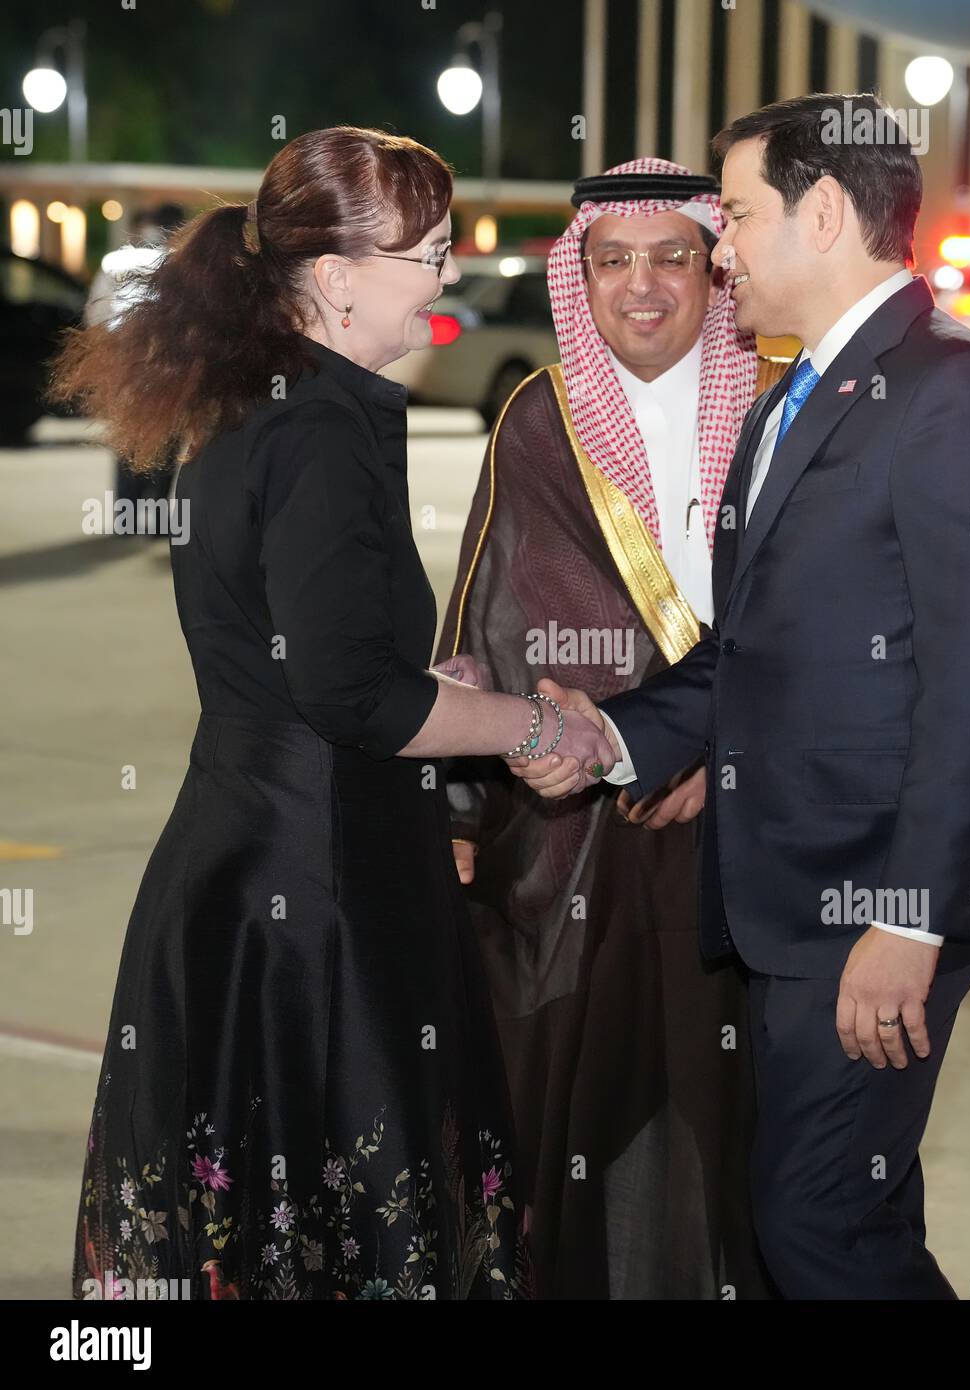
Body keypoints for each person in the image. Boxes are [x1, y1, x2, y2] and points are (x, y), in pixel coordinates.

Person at [51, 124, 617, 1301]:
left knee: (254, 1231)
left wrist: (434, 690)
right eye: (430, 251)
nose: (449, 273)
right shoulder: (321, 429)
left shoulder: (264, 408)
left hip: (260, 850)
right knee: (342, 1228)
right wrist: (531, 727)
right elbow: (352, 696)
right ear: (335, 276)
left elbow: (314, 660)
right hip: (319, 891)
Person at [512, 94, 970, 1299]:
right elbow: (747, 653)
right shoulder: (795, 395)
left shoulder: (951, 395)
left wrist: (906, 921)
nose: (719, 252)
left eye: (738, 216)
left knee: (819, 1231)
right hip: (795, 900)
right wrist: (611, 734)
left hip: (871, 901)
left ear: (821, 213)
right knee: (829, 1218)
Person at [436, 159, 781, 1299]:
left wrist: (712, 751)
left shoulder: (782, 401)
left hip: (747, 821)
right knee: (581, 1103)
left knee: (733, 1117)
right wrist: (460, 808)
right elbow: (487, 611)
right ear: (577, 271)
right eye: (612, 260)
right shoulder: (542, 414)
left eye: (671, 256)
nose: (642, 287)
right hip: (578, 827)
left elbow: (821, 631)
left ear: (711, 268)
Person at [84, 203, 186, 523]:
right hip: (168, 363)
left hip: (125, 359)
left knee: (128, 434)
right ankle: (155, 519)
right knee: (166, 439)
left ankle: (126, 516)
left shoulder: (117, 260)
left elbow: (96, 311)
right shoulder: (180, 261)